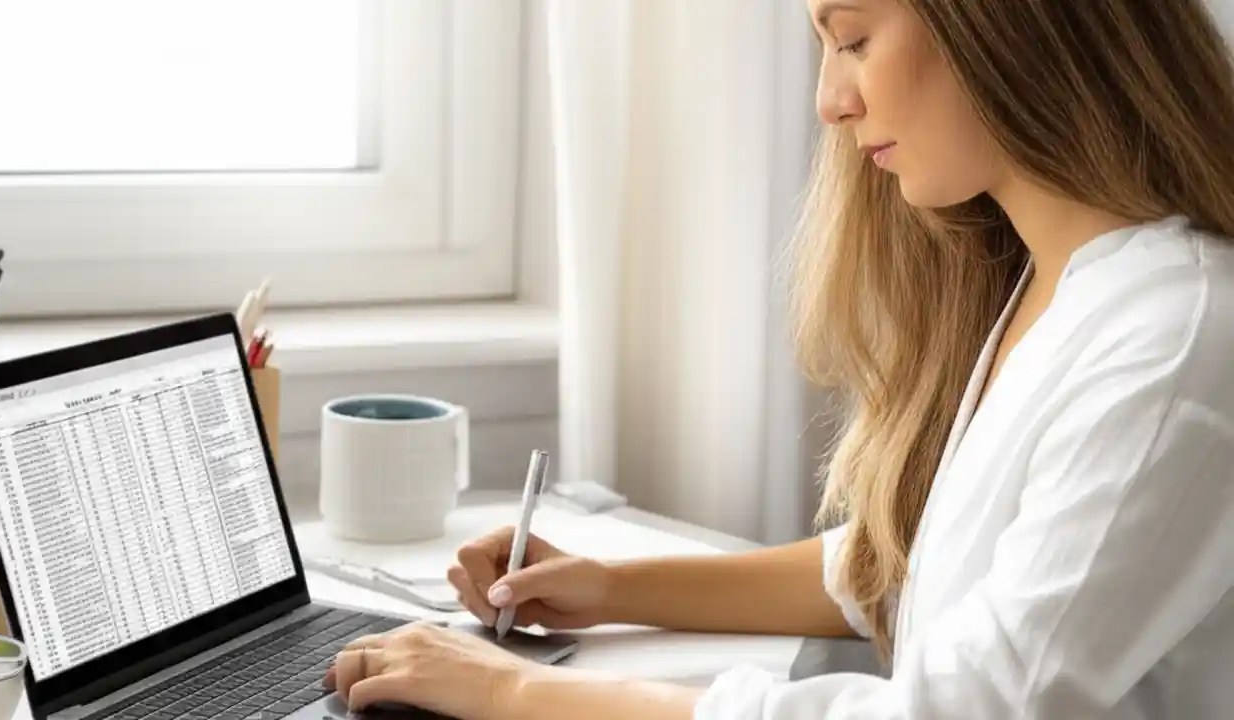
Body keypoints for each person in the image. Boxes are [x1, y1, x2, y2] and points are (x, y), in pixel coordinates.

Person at [324, 0, 1234, 717]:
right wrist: (610, 587)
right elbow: (916, 560)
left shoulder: (1173, 344)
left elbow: (962, 712)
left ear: (999, 22)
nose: (830, 101)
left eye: (854, 39)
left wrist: (514, 692)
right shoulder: (1056, 292)